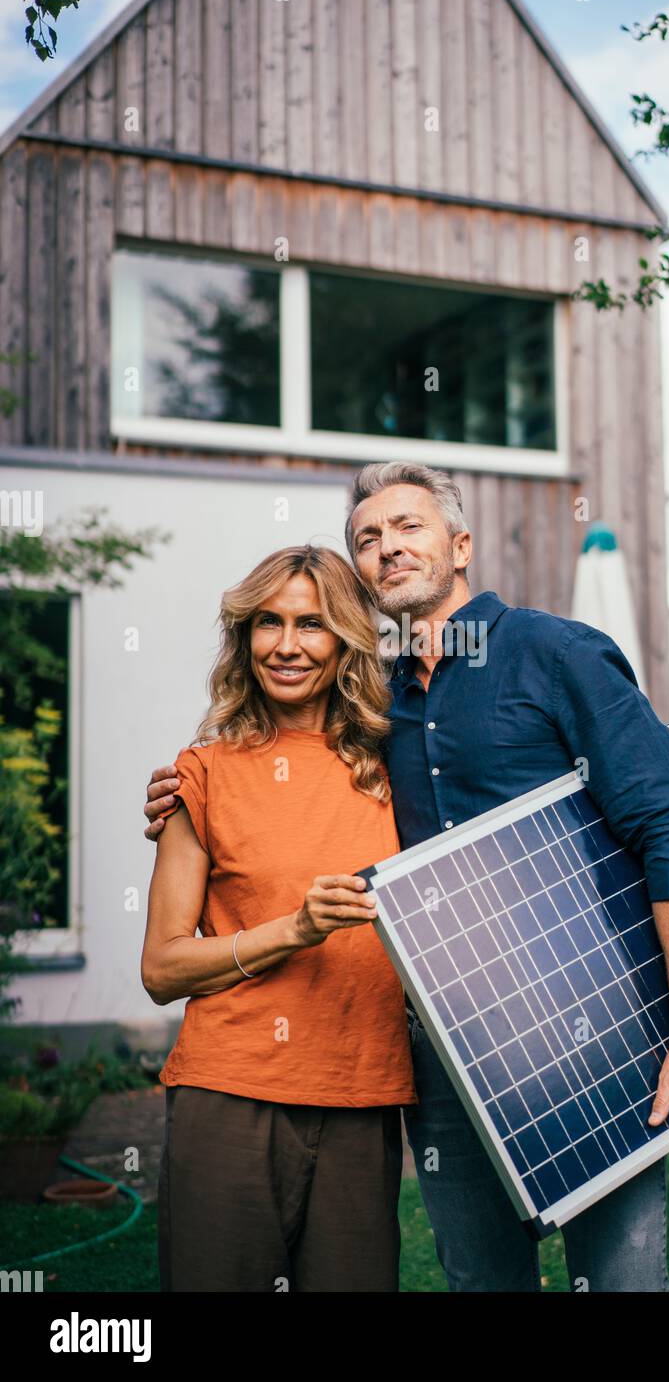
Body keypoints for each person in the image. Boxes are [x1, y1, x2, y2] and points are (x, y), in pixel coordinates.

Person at [144, 460, 669, 1293]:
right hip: (449, 1051)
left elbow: (667, 831)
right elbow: (279, 774)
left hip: (591, 1031)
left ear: (461, 544)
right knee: (480, 1281)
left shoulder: (554, 652)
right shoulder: (377, 709)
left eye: (408, 527)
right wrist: (183, 794)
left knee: (622, 1283)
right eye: (367, 538)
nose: (387, 547)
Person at [142, 544, 415, 1293]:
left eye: (311, 625)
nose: (286, 646)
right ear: (244, 635)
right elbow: (161, 970)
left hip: (362, 1095)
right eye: (268, 623)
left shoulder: (400, 770)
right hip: (231, 1094)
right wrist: (295, 930)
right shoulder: (201, 774)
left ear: (346, 640)